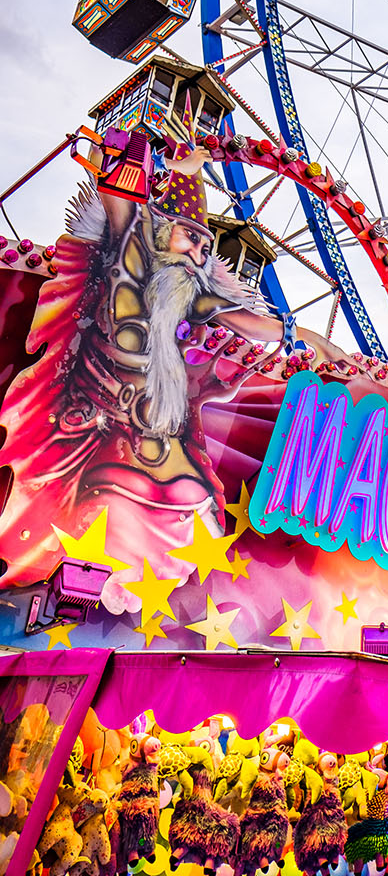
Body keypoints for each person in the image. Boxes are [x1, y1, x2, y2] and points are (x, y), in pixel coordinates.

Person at [0, 130, 349, 609]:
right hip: (102, 442)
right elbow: (122, 201)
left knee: (197, 523)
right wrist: (166, 169)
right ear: (162, 233)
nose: (198, 256)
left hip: (166, 453)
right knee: (98, 538)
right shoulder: (131, 256)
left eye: (206, 247)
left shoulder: (188, 294)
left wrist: (312, 338)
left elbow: (248, 321)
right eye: (191, 238)